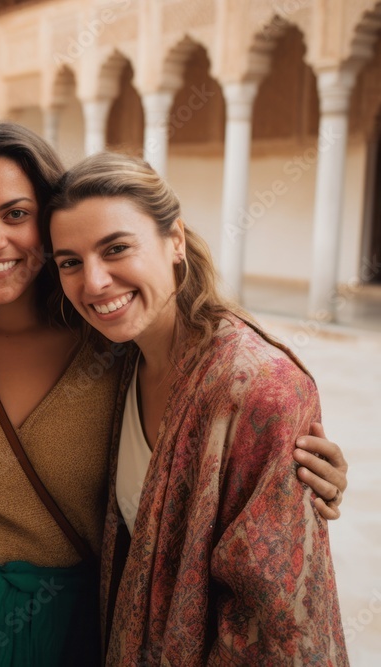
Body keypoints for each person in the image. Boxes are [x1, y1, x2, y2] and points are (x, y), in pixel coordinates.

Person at [0, 123, 349, 666]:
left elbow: (271, 594)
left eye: (16, 214)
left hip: (92, 627)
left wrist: (295, 475)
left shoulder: (110, 342)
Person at [48, 152, 348, 664]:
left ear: (176, 242)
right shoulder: (117, 363)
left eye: (116, 248)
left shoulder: (258, 385)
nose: (93, 281)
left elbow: (273, 622)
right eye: (69, 262)